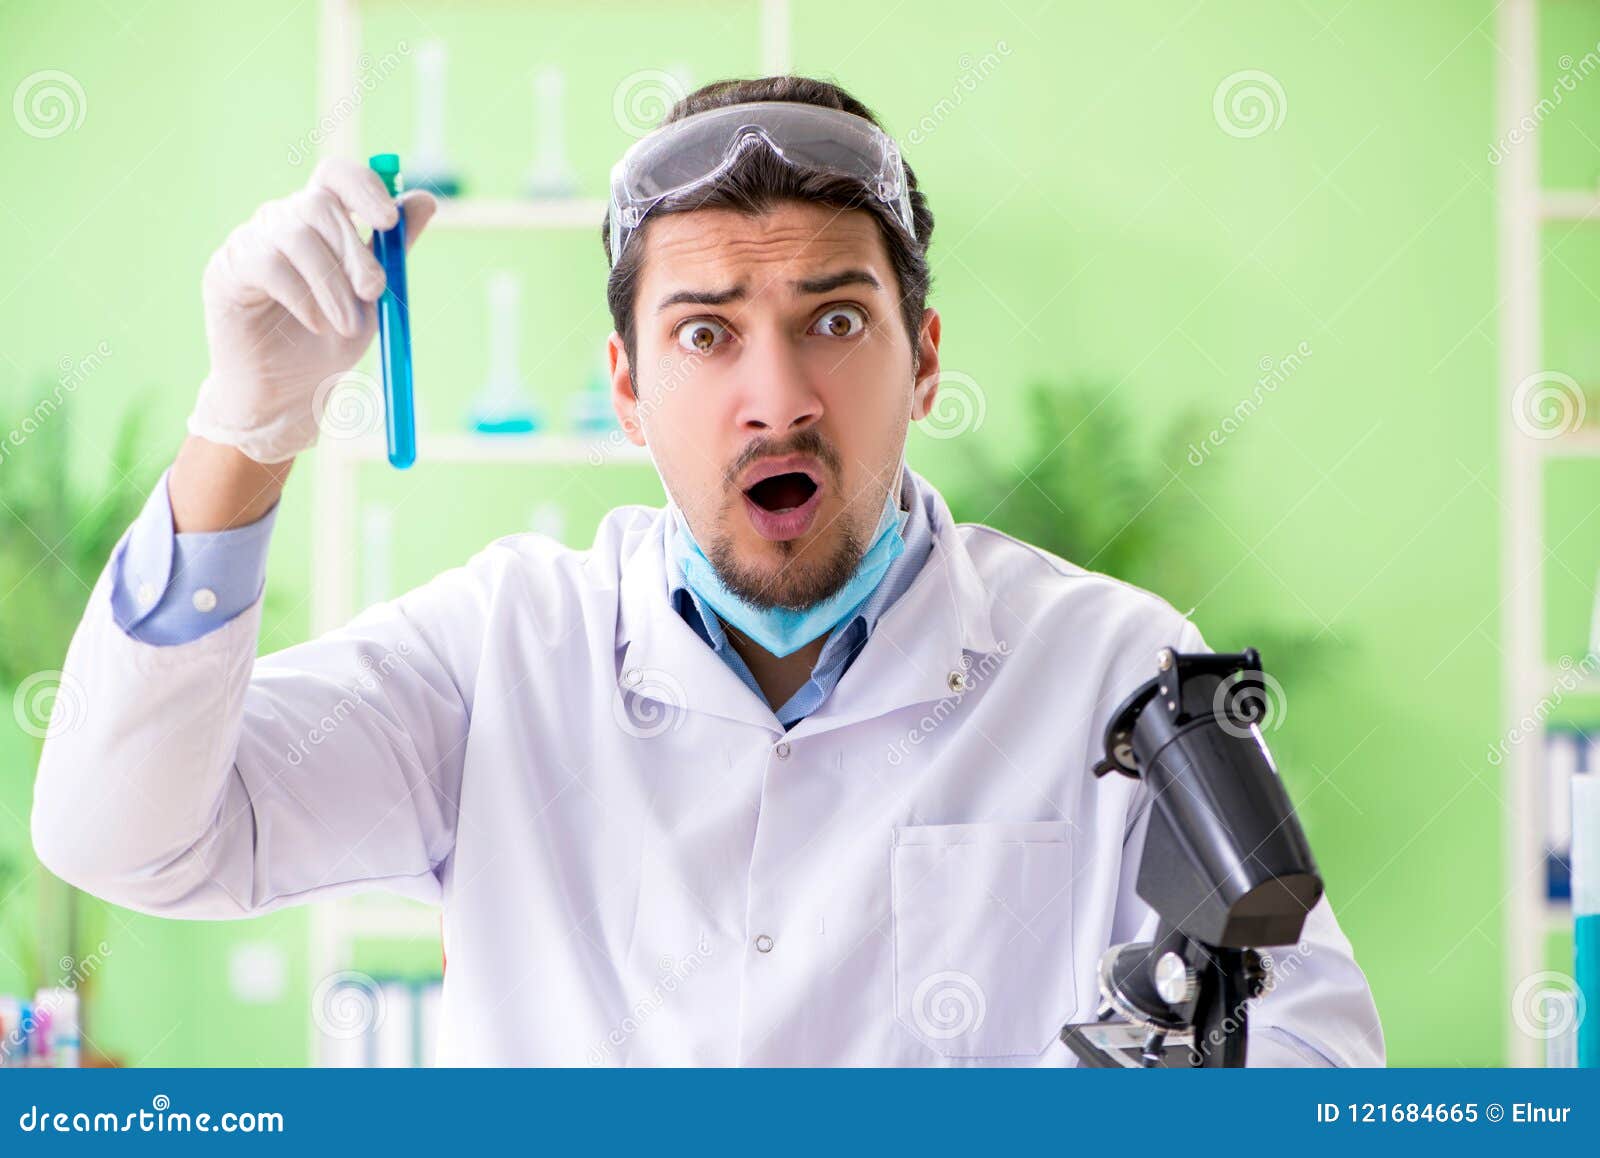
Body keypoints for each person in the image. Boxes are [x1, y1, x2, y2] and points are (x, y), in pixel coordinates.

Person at [31, 75, 1384, 1066]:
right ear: (625, 387)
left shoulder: (1115, 664)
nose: (775, 396)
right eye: (703, 333)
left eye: (835, 320)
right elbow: (124, 835)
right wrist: (245, 426)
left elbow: (1316, 1060)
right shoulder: (500, 649)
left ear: (923, 357)